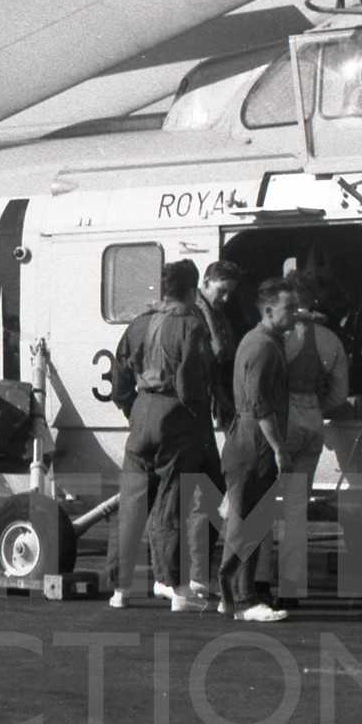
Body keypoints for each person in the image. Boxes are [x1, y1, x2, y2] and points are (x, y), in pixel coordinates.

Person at [108, 260, 213, 610]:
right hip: (176, 417)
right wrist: (196, 414)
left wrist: (133, 410)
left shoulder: (139, 323)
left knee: (132, 504)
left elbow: (119, 378)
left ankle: (120, 589)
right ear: (192, 288)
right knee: (172, 504)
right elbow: (191, 383)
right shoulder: (192, 326)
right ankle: (176, 586)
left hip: (141, 412)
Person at [154, 259, 241, 607]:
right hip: (193, 414)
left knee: (202, 492)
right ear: (203, 283)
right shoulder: (192, 319)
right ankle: (177, 579)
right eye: (222, 291)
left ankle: (193, 576)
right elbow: (201, 366)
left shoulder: (208, 314)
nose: (225, 299)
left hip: (201, 410)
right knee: (185, 496)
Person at [217, 277, 299, 622]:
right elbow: (261, 404)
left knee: (248, 517)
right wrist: (279, 448)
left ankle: (233, 594)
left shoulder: (261, 340)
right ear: (268, 310)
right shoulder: (263, 347)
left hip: (247, 438)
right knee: (250, 521)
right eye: (290, 308)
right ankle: (244, 599)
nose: (295, 314)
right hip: (255, 442)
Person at [276, 276, 351, 598]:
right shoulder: (330, 339)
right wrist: (317, 408)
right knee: (296, 505)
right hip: (312, 419)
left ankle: (260, 578)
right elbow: (339, 394)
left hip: (281, 420)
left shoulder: (277, 336)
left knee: (263, 501)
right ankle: (293, 580)